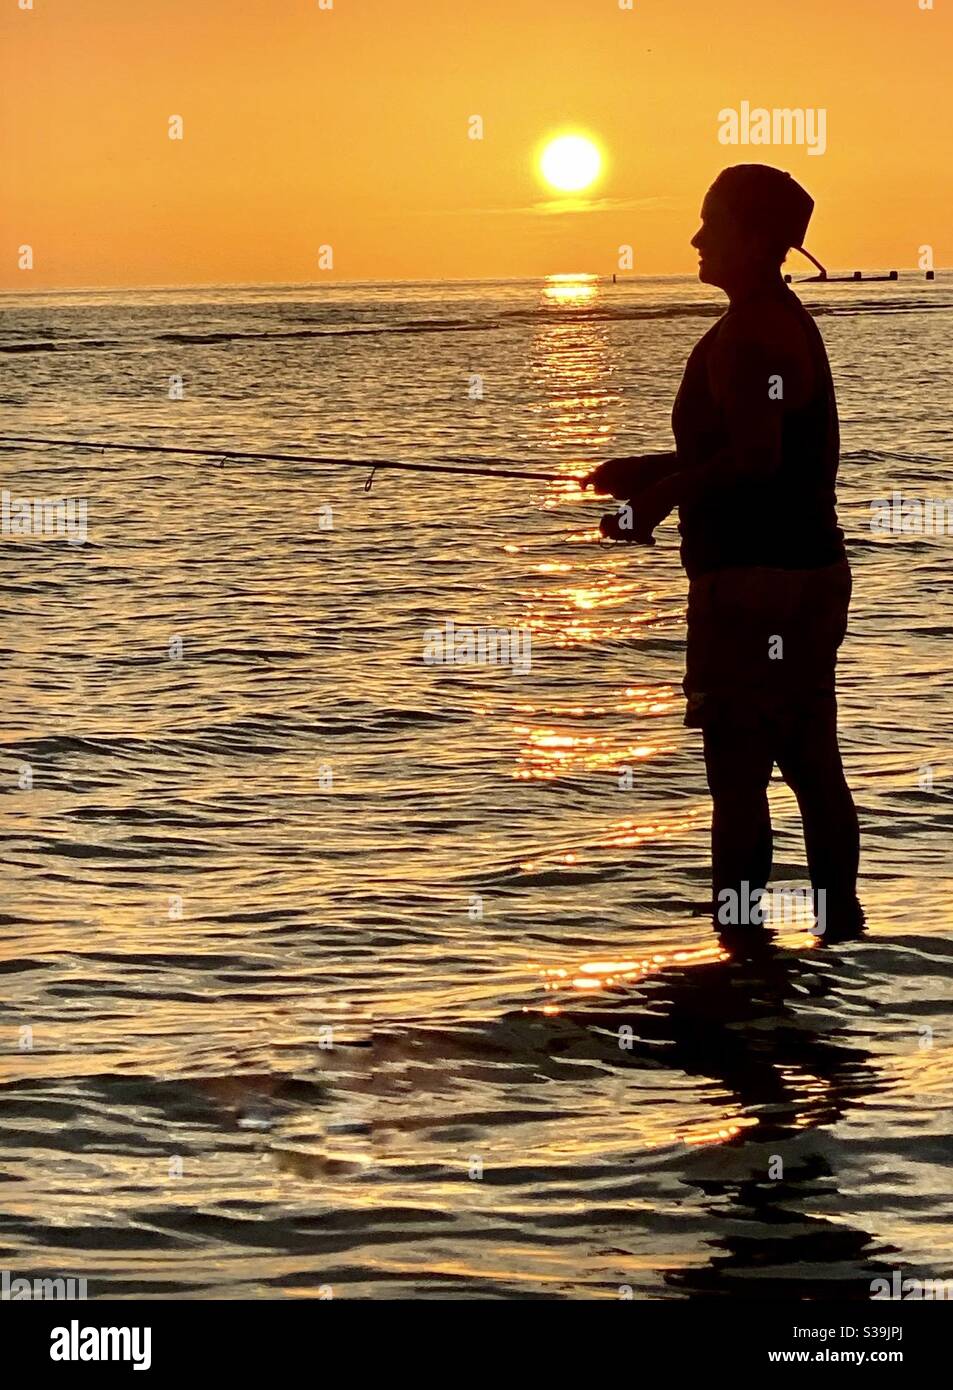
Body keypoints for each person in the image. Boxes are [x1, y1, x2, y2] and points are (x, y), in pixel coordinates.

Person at [585, 165, 862, 942]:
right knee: (813, 770)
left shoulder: (749, 336)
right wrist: (646, 472)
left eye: (712, 223)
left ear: (755, 238)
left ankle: (741, 958)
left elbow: (755, 460)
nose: (697, 238)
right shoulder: (777, 319)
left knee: (739, 786)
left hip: (751, 589)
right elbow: (743, 449)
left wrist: (661, 498)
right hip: (809, 575)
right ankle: (838, 939)